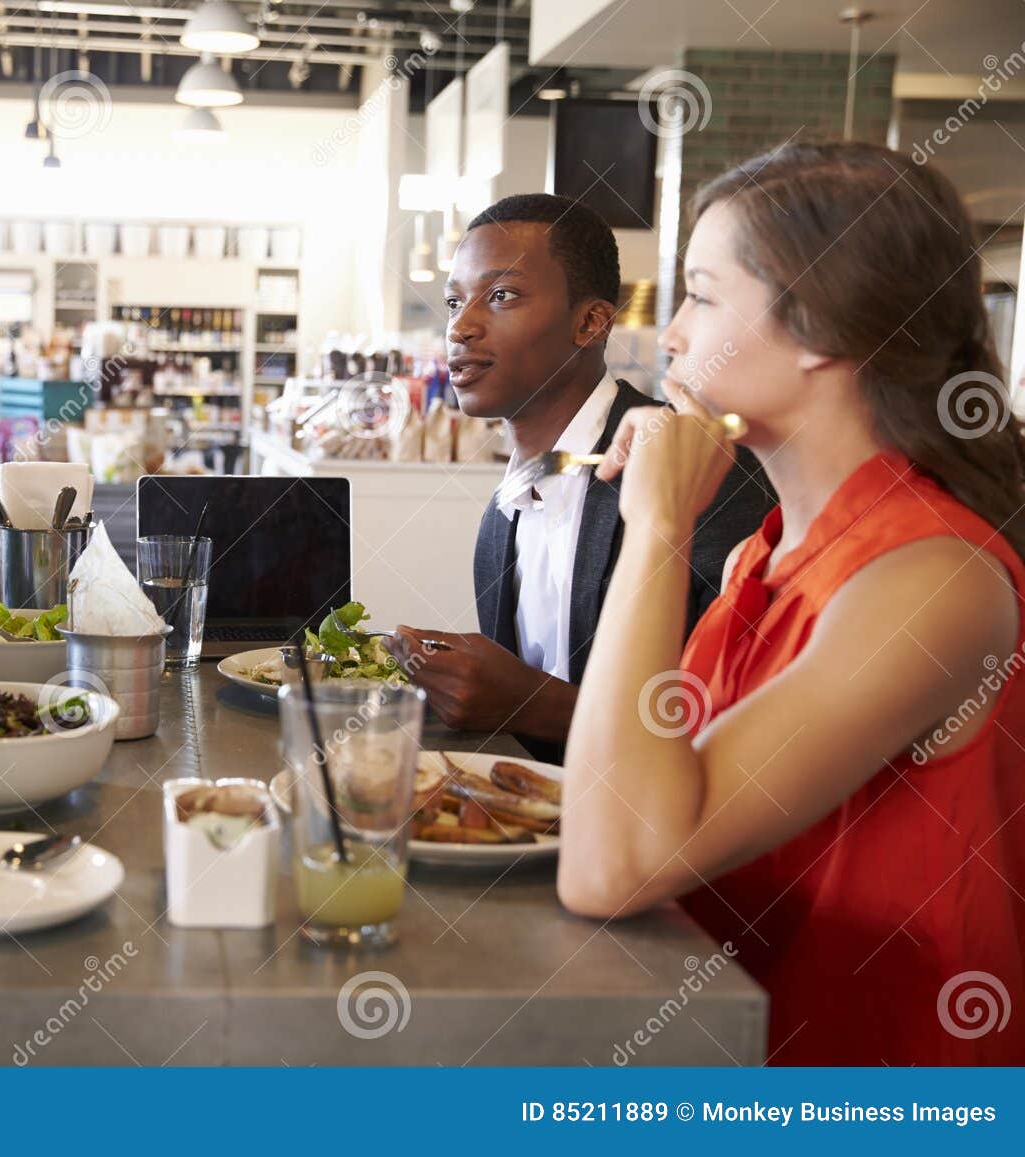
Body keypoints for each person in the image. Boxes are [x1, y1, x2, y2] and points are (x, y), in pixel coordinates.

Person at [558, 141, 1025, 1065]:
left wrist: (655, 522)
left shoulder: (936, 582)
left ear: (824, 332)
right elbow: (622, 798)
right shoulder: (760, 555)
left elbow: (613, 864)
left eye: (701, 292)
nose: (672, 334)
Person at [389, 195, 775, 763]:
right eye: (453, 301)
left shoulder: (694, 469)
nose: (461, 327)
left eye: (501, 296)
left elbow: (744, 728)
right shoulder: (505, 511)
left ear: (591, 322)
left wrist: (531, 703)